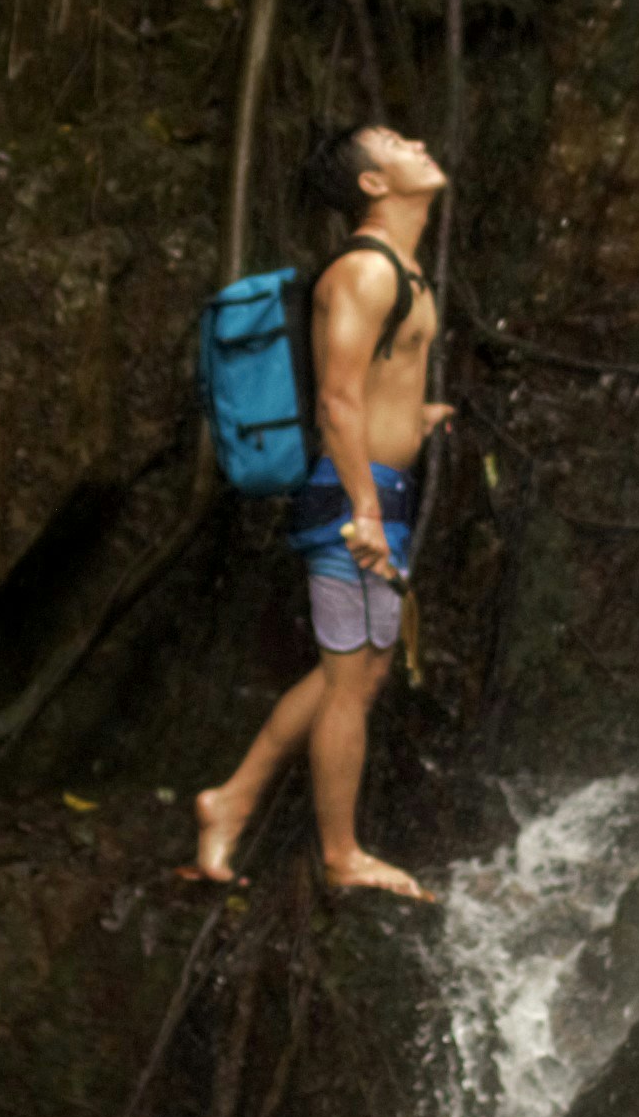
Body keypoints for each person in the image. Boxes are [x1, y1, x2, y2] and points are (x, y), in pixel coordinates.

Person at [189, 121, 452, 899]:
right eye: (397, 143)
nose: (416, 144)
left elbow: (373, 385)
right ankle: (341, 857)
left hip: (378, 492)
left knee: (360, 670)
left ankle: (230, 799)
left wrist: (417, 417)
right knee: (350, 682)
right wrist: (365, 513)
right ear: (372, 184)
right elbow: (337, 401)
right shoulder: (365, 275)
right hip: (351, 498)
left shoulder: (402, 270)